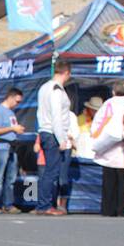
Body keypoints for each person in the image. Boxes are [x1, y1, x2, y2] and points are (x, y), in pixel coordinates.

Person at [90, 80, 124, 217]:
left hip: (107, 146)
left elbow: (97, 123)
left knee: (108, 179)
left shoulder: (107, 104)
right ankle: (121, 209)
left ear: (113, 92)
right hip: (123, 146)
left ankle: (107, 209)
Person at [35, 57, 72, 215]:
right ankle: (45, 205)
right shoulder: (57, 90)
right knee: (52, 171)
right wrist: (61, 138)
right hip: (52, 133)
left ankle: (43, 204)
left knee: (48, 171)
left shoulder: (44, 87)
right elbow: (57, 116)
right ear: (67, 73)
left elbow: (40, 113)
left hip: (44, 130)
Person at [0, 86, 24, 212]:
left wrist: (16, 130)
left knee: (11, 178)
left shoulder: (11, 113)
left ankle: (8, 204)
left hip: (11, 146)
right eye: (17, 101)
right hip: (2, 147)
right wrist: (13, 129)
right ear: (11, 98)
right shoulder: (0, 111)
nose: (17, 104)